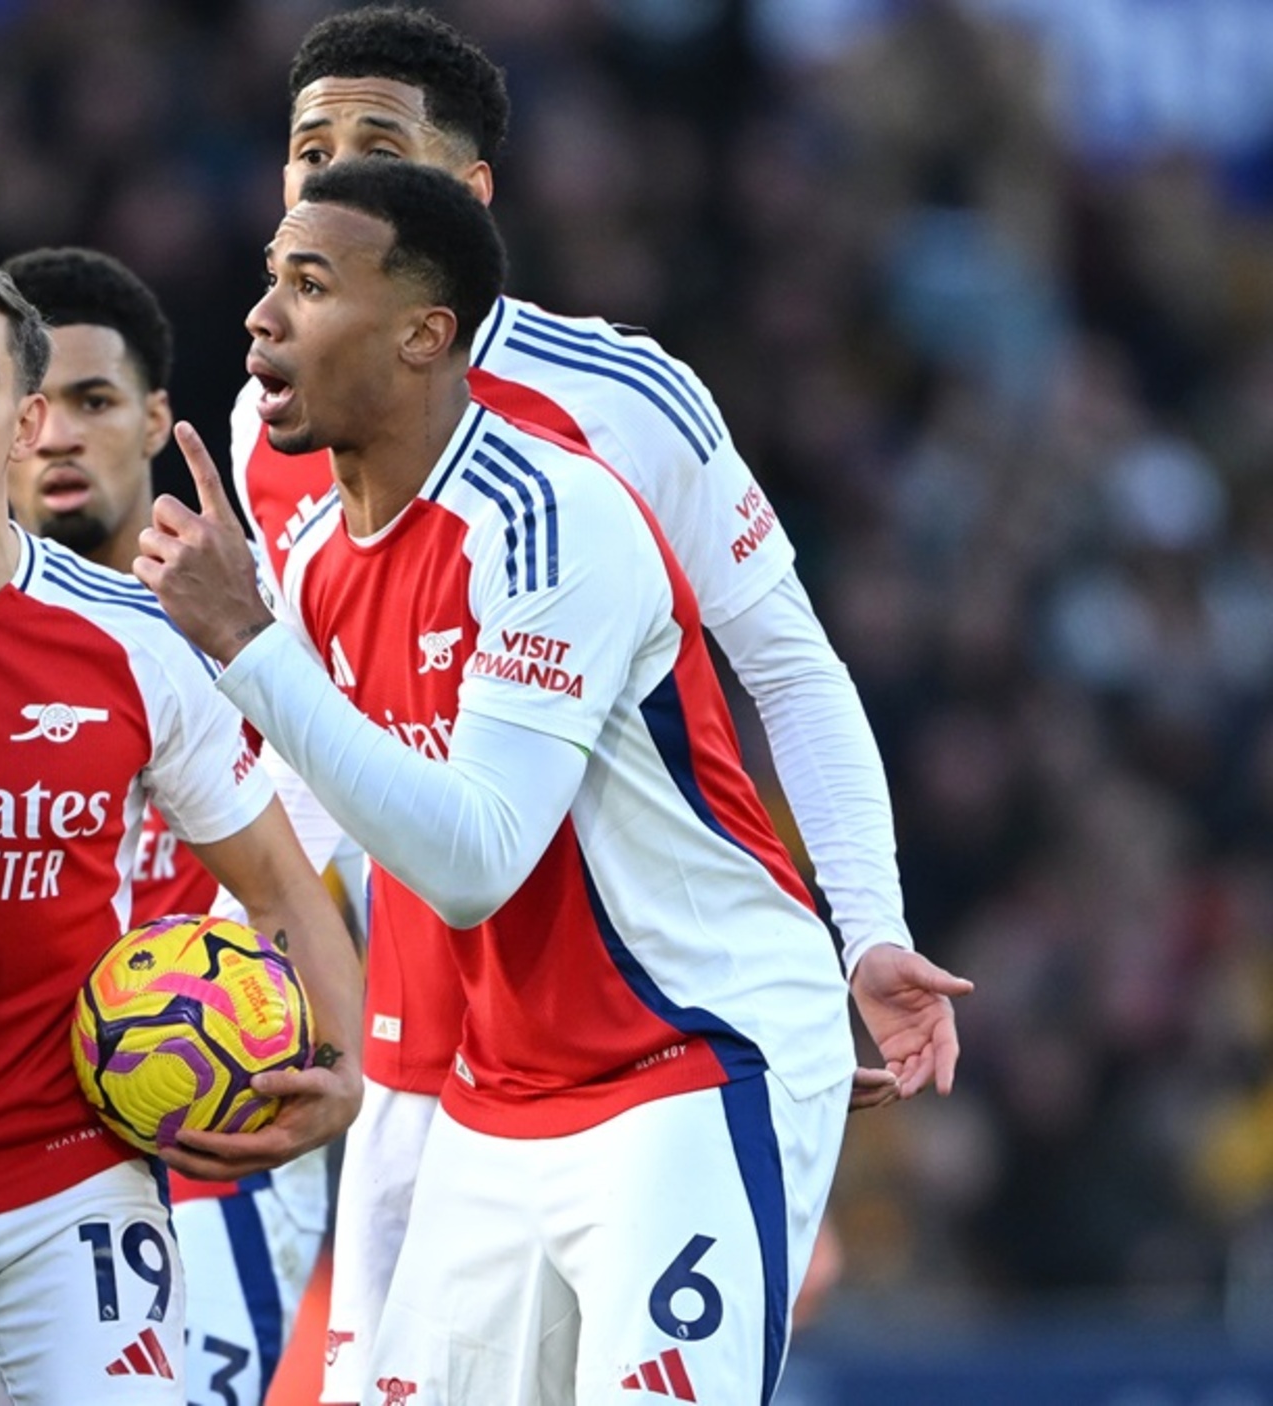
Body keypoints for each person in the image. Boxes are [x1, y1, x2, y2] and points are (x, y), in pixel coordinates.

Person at [237, 11, 974, 1398]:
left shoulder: (617, 399)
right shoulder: (269, 425)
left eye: (377, 147)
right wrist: (255, 951)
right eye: (308, 149)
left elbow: (791, 666)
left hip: (672, 1022)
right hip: (439, 1054)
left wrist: (867, 924)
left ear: (468, 192)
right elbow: (327, 720)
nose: (332, 172)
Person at [0, 252, 360, 1406]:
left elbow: (274, 879)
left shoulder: (133, 639)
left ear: (21, 424)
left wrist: (344, 1069)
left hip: (76, 1177)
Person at [3, 245, 335, 1406]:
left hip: (213, 1121)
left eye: (92, 402)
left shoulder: (259, 624)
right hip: (0, 1133)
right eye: (33, 406)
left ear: (153, 417)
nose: (57, 437)